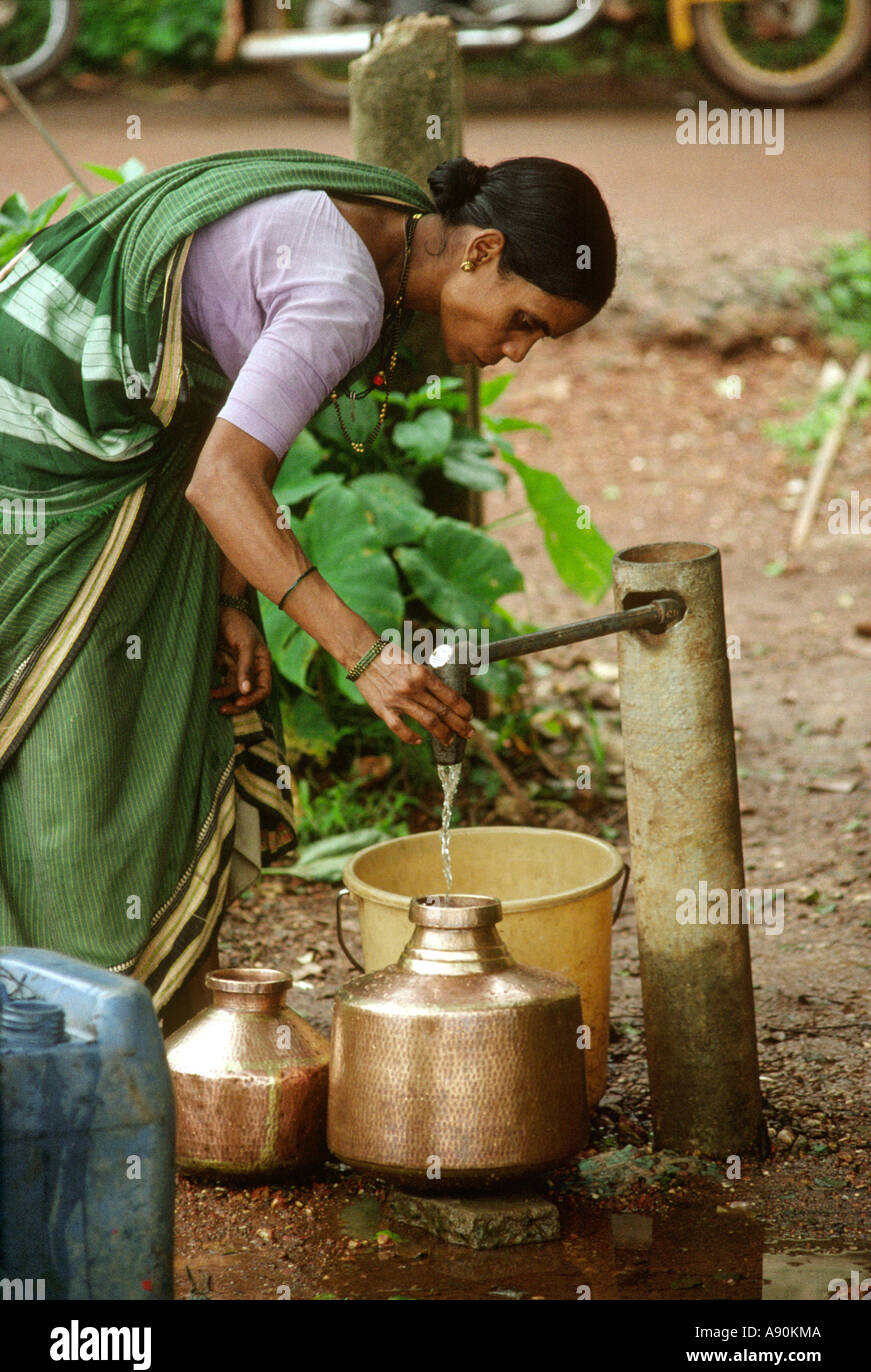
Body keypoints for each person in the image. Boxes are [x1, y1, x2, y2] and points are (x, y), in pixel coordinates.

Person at [0, 147, 616, 1033]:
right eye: (525, 321)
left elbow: (224, 406)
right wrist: (365, 656)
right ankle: (72, 1016)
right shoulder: (342, 292)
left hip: (104, 419)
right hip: (41, 441)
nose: (514, 353)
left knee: (133, 706)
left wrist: (224, 599)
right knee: (79, 724)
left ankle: (103, 1014)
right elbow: (221, 482)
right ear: (480, 251)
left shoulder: (379, 215)